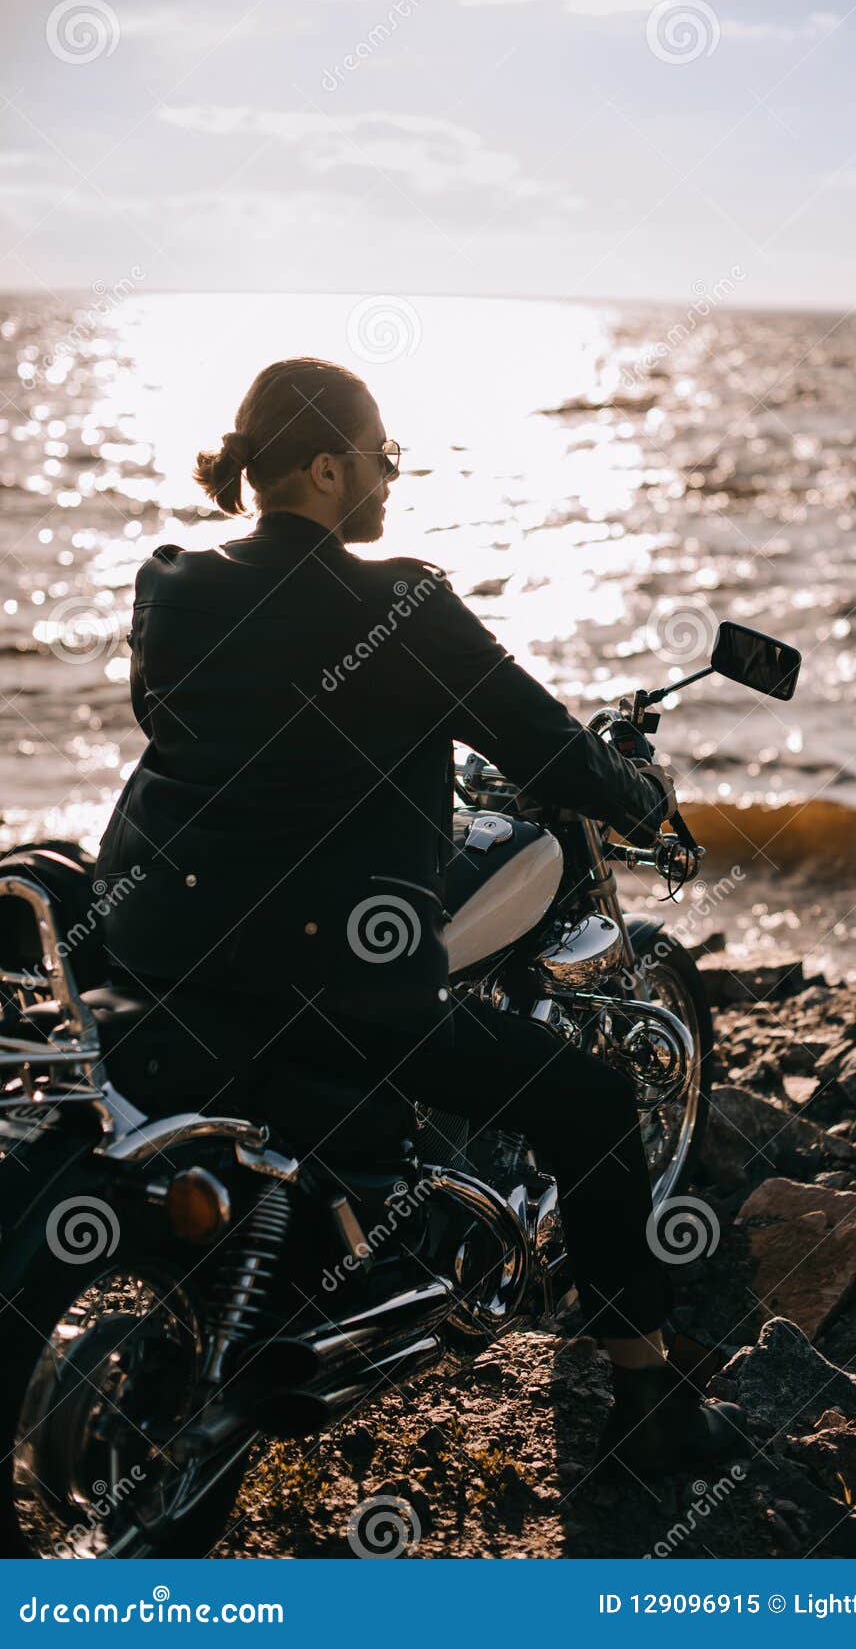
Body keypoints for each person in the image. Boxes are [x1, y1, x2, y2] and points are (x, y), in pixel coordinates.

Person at [96, 356, 745, 1477]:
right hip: (328, 986)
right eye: (383, 460)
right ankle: (651, 1403)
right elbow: (539, 742)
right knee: (588, 1102)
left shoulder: (173, 582)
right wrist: (645, 800)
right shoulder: (399, 602)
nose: (394, 481)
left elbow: (190, 721)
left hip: (154, 950)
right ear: (324, 467)